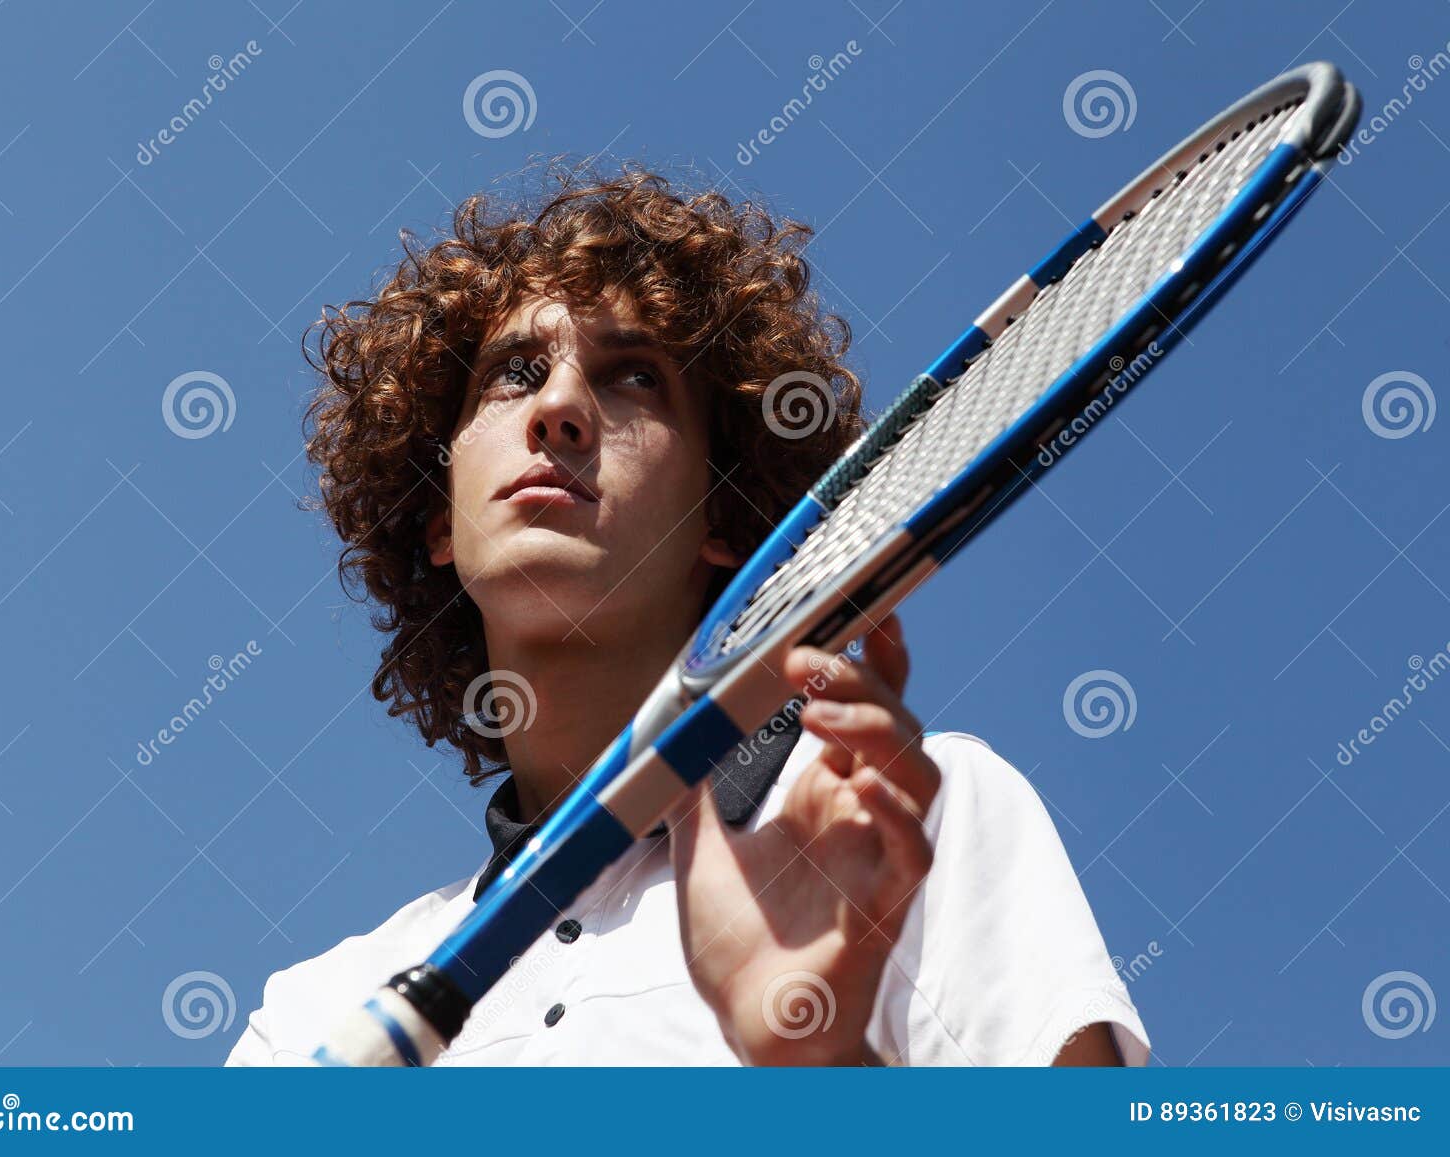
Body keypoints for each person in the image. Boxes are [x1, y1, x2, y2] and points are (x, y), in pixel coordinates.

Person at [226, 163, 1148, 1066]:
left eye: (633, 378)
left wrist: (817, 1062)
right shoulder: (306, 1010)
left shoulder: (911, 816)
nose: (558, 407)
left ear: (722, 519)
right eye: (514, 372)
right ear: (438, 519)